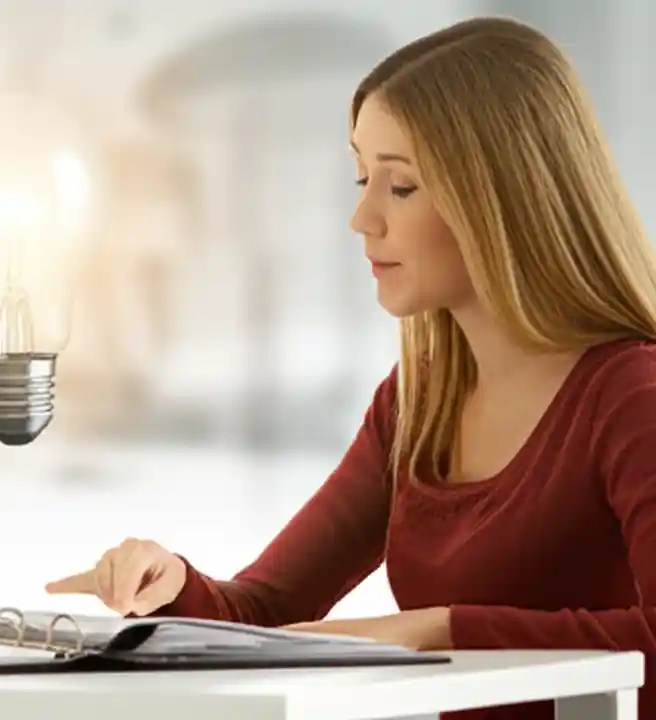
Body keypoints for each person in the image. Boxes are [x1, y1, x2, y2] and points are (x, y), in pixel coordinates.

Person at [46, 15, 656, 720]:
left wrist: (441, 628)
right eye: (363, 177)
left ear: (501, 197)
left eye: (399, 187)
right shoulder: (413, 408)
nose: (362, 218)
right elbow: (265, 614)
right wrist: (171, 585)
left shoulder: (630, 395)